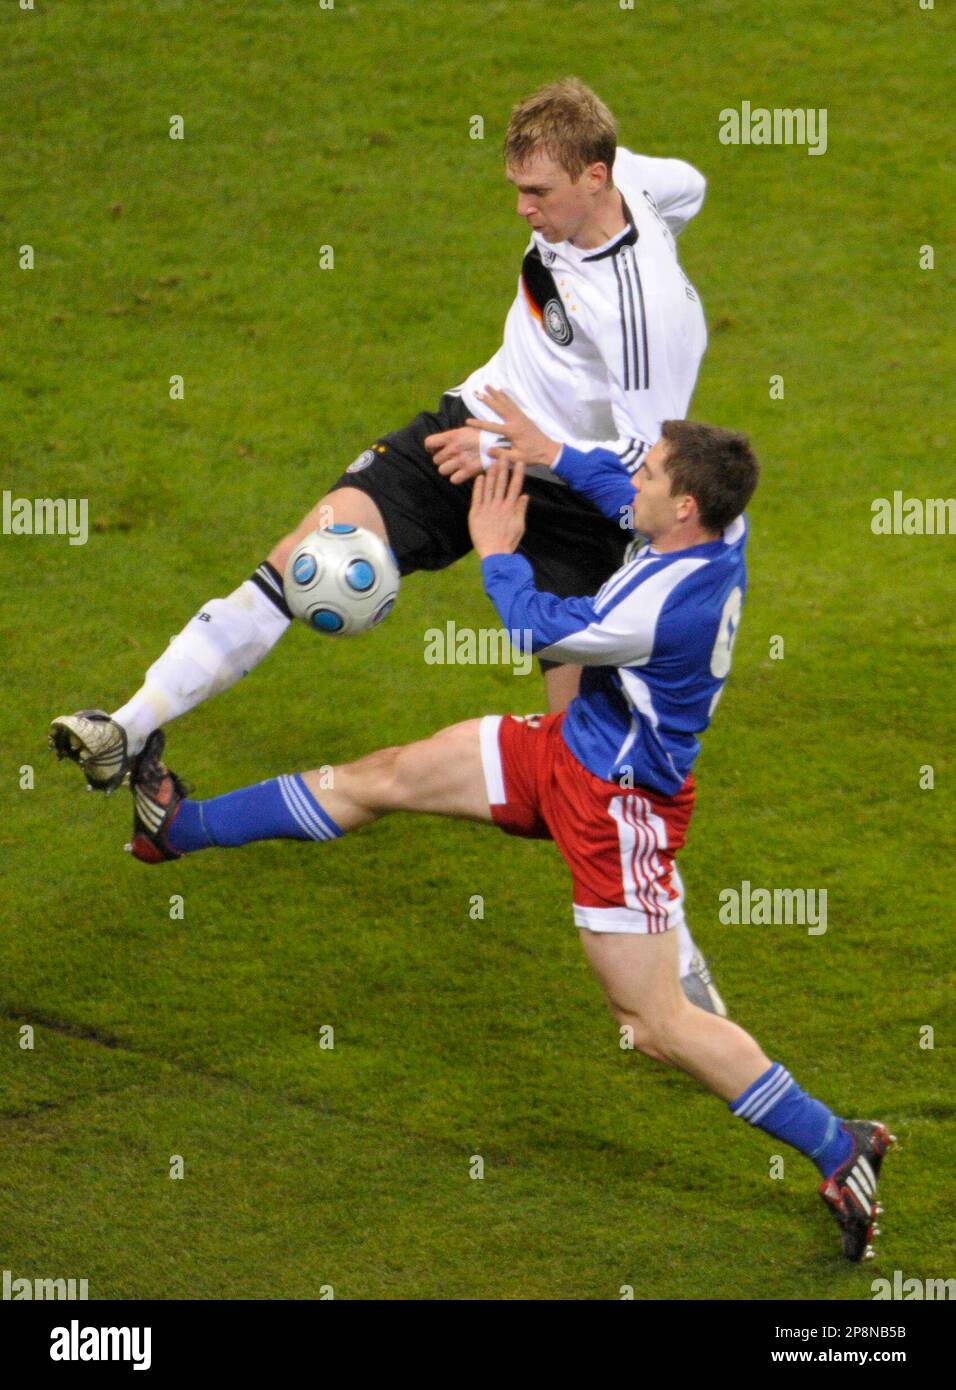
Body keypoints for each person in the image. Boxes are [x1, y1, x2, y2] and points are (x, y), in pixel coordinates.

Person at [118, 427, 893, 1263]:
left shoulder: (662, 607)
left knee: (653, 1021)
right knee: (387, 777)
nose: (637, 478)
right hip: (569, 754)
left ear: (685, 508)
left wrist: (496, 550)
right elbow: (608, 486)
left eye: (654, 474)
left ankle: (838, 1143)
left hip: (617, 810)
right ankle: (177, 828)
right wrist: (549, 452)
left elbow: (537, 626)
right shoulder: (714, 529)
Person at [50, 76, 722, 1009]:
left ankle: (673, 965)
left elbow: (649, 466)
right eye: (517, 190)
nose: (522, 212)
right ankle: (126, 728)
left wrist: (530, 450)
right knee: (305, 550)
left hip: (576, 500)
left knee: (589, 765)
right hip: (472, 426)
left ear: (594, 175)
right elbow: (684, 183)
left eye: (537, 195)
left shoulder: (647, 309)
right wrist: (496, 433)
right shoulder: (631, 184)